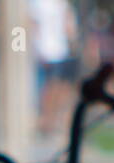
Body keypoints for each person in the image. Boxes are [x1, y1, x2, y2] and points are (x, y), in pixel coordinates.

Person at [29, 0, 79, 137]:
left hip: (61, 51)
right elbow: (33, 25)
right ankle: (46, 120)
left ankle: (53, 119)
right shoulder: (39, 4)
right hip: (46, 51)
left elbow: (68, 26)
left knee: (60, 87)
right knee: (49, 87)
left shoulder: (63, 4)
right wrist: (37, 48)